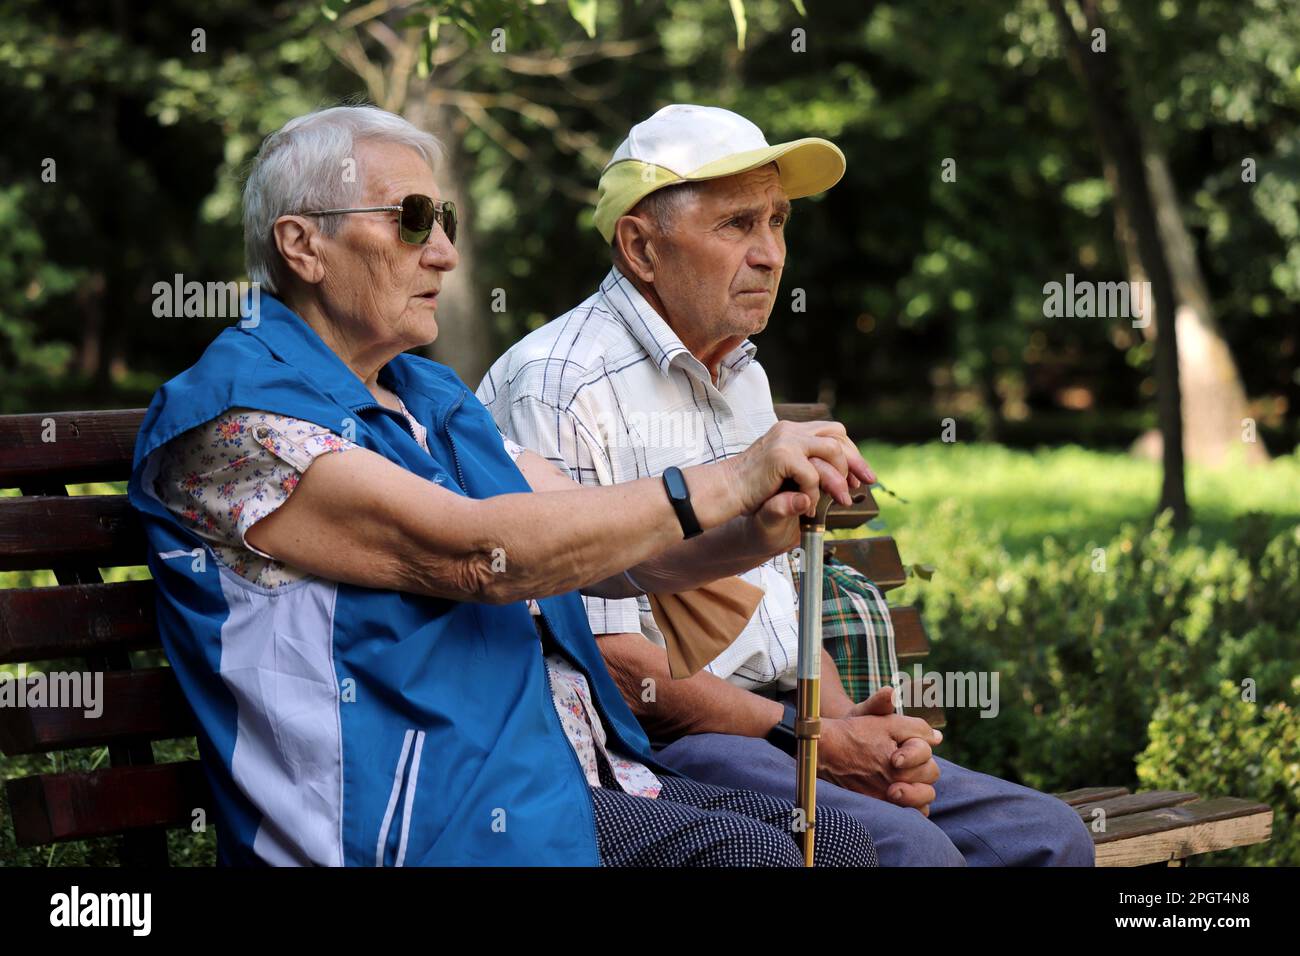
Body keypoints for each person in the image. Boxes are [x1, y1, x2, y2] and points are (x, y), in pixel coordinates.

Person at [478, 104, 1095, 866]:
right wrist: (819, 741)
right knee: (915, 857)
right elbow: (615, 666)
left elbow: (784, 610)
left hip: (788, 725)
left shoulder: (744, 373)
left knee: (1049, 840)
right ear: (640, 247)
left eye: (778, 222)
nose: (771, 254)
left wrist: (860, 732)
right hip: (676, 745)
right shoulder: (560, 382)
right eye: (737, 224)